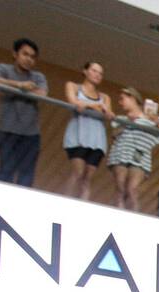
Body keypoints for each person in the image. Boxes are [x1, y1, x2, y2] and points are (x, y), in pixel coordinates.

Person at [0, 38, 48, 188]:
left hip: (31, 134)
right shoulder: (4, 69)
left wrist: (23, 89)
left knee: (27, 175)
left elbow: (42, 94)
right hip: (7, 129)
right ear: (15, 54)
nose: (29, 59)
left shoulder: (38, 76)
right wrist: (19, 85)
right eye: (25, 54)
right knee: (6, 171)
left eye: (32, 57)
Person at [106, 87, 159, 211]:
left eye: (122, 99)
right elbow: (114, 134)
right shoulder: (122, 119)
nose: (120, 102)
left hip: (141, 157)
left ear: (132, 98)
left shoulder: (153, 118)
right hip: (121, 153)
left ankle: (133, 220)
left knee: (132, 189)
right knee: (120, 187)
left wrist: (157, 121)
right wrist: (129, 122)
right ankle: (117, 216)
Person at [62, 60, 112, 201]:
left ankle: (83, 206)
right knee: (78, 172)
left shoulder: (105, 97)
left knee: (87, 177)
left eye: (100, 73)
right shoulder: (73, 86)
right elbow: (73, 102)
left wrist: (89, 106)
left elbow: (108, 113)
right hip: (78, 135)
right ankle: (64, 204)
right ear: (85, 71)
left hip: (97, 139)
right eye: (94, 71)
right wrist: (94, 106)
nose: (97, 75)